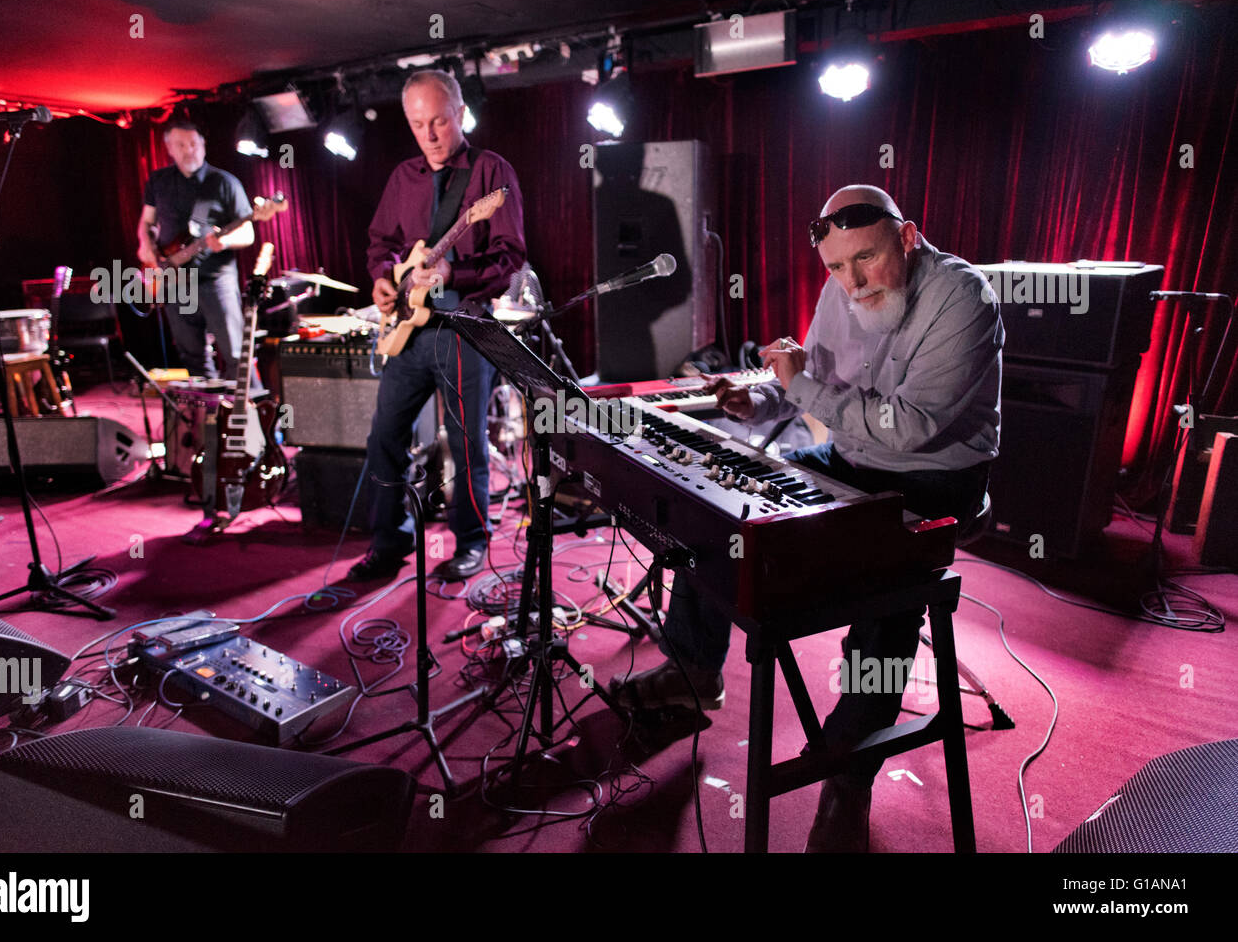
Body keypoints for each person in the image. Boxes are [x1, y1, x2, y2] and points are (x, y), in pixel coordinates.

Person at [611, 185, 1004, 851]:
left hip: (935, 475)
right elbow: (810, 379)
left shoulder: (963, 299)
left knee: (884, 595)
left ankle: (849, 772)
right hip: (853, 453)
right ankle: (693, 669)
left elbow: (906, 428)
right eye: (837, 268)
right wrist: (756, 399)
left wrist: (797, 386)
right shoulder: (839, 290)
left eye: (868, 260)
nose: (852, 283)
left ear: (907, 237)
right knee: (721, 504)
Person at [350, 70, 526, 582]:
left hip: (466, 327)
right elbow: (380, 243)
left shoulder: (492, 173)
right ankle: (389, 540)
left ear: (461, 114)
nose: (429, 136)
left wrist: (456, 271)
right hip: (408, 330)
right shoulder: (402, 177)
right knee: (384, 435)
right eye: (417, 124)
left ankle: (471, 542)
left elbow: (512, 258)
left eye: (439, 122)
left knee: (464, 440)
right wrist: (383, 279)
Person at [136, 120, 254, 379]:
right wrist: (146, 245)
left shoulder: (224, 182)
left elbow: (248, 232)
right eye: (181, 145)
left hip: (215, 280)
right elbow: (147, 222)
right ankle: (210, 415)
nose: (189, 150)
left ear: (203, 144)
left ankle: (252, 413)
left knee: (236, 354)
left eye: (193, 143)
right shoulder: (159, 181)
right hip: (174, 281)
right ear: (169, 148)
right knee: (192, 358)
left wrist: (224, 241)